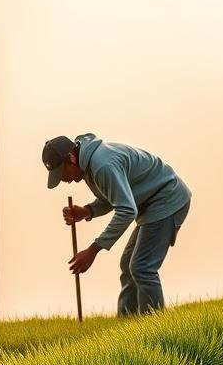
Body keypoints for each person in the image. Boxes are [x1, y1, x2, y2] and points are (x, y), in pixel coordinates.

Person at [42, 132, 192, 316]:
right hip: (150, 203)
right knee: (128, 264)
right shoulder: (88, 164)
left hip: (167, 199)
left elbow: (127, 210)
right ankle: (126, 323)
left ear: (71, 158)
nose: (64, 180)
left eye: (61, 173)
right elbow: (114, 197)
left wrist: (92, 250)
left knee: (142, 267)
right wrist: (87, 211)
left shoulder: (102, 165)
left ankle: (156, 328)